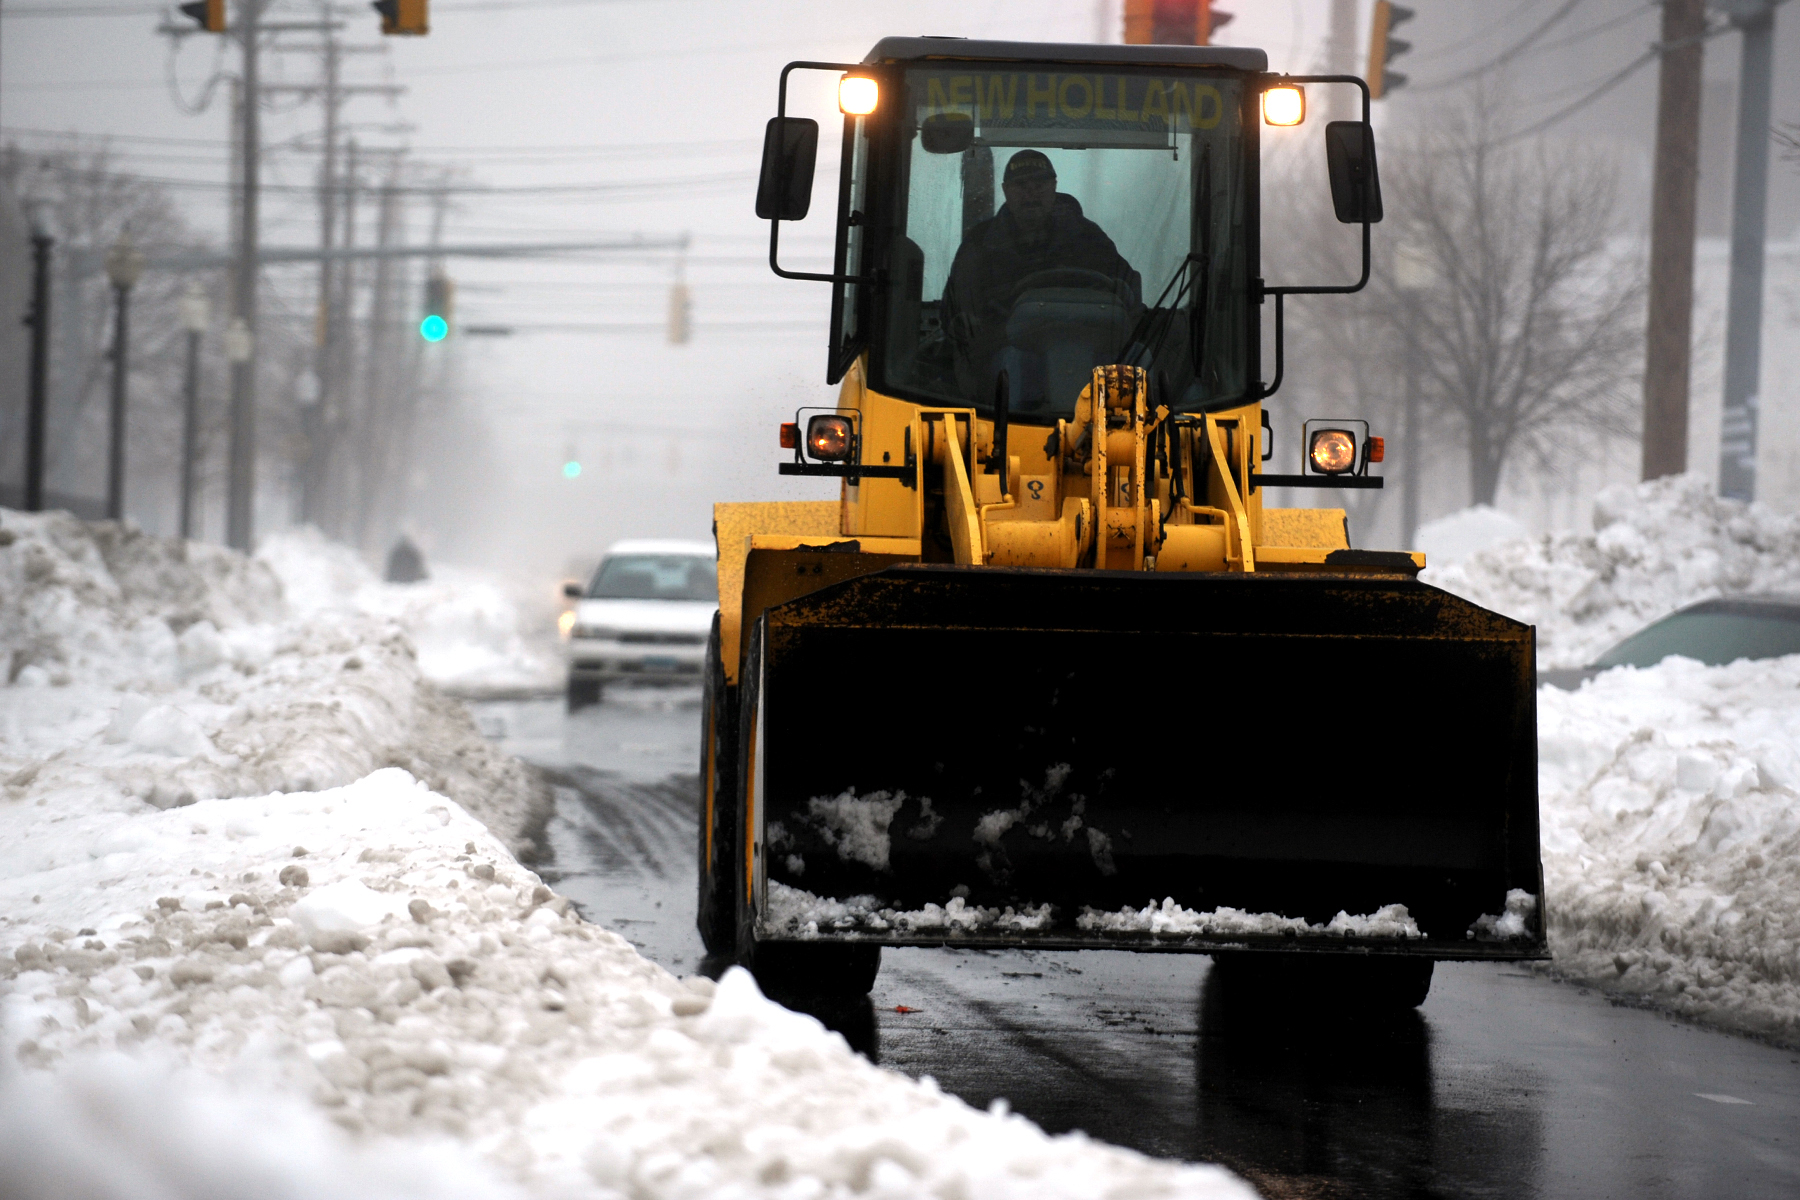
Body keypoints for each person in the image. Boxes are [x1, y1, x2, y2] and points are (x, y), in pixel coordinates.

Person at [939, 150, 1142, 407]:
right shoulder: (979, 245)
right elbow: (956, 310)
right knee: (1011, 366)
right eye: (1021, 185)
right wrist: (966, 321)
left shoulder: (1089, 239)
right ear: (1005, 190)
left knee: (1138, 360)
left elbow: (1128, 288)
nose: (1030, 192)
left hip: (1091, 350)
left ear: (1054, 187)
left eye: (1039, 184)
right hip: (1006, 349)